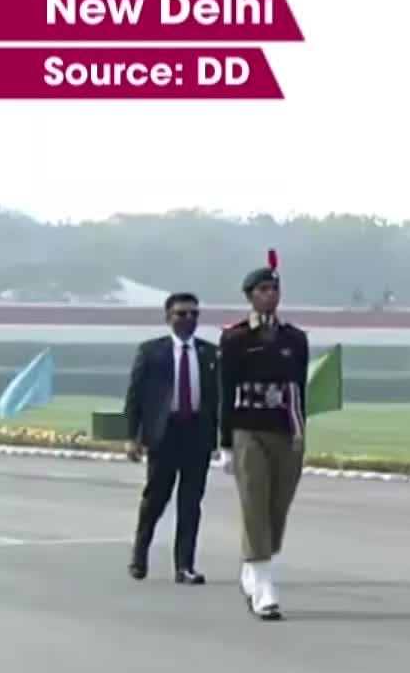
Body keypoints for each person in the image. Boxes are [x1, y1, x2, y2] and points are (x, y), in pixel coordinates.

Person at [218, 249, 309, 622]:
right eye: (262, 289)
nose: (270, 295)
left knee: (277, 508)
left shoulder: (295, 339)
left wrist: (302, 432)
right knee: (255, 502)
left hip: (285, 429)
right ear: (249, 296)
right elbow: (225, 391)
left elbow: (299, 389)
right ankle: (264, 583)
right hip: (248, 428)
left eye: (274, 288)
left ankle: (254, 565)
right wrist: (225, 442)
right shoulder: (235, 339)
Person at [124, 292, 220, 584]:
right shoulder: (152, 351)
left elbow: (219, 398)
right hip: (164, 435)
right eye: (181, 313)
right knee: (156, 499)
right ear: (168, 317)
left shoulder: (210, 353)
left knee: (191, 503)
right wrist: (132, 436)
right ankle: (140, 556)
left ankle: (184, 566)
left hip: (197, 435)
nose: (188, 319)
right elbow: (135, 396)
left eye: (193, 313)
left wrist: (221, 437)